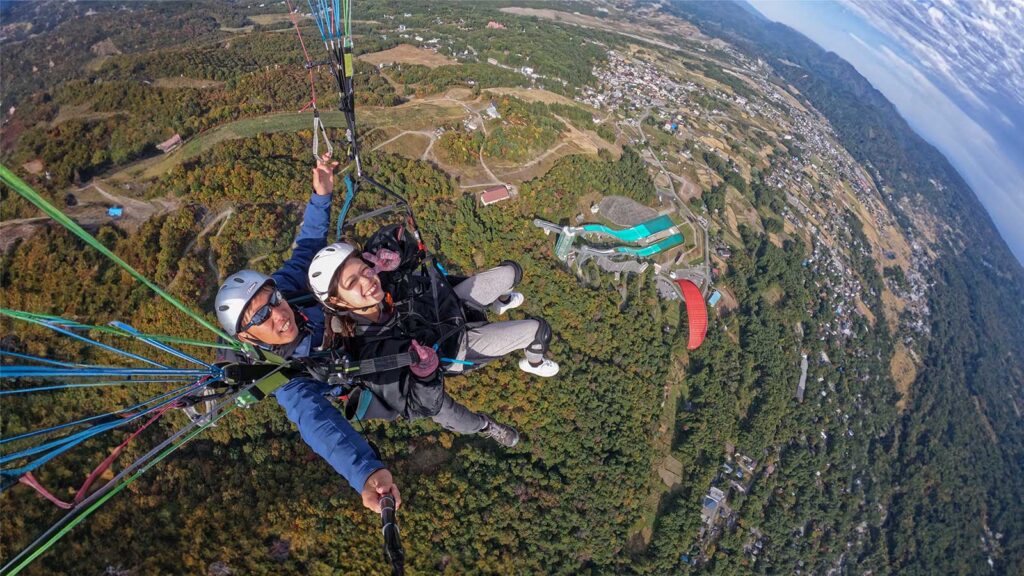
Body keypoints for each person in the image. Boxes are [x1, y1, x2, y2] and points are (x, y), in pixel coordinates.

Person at [213, 154, 399, 513]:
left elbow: (309, 246)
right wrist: (365, 473)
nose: (279, 313)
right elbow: (319, 426)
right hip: (367, 365)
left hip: (365, 321)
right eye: (262, 316)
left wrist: (321, 195)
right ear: (248, 338)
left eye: (275, 300)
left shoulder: (288, 290)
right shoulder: (287, 378)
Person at [305, 225, 560, 448]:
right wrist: (425, 374)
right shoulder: (372, 356)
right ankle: (517, 384)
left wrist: (398, 254)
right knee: (539, 331)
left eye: (364, 270)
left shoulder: (382, 279)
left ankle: (500, 301)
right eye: (353, 283)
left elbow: (401, 240)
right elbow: (422, 406)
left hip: (446, 305)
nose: (368, 281)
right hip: (456, 347)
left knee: (512, 272)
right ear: (338, 301)